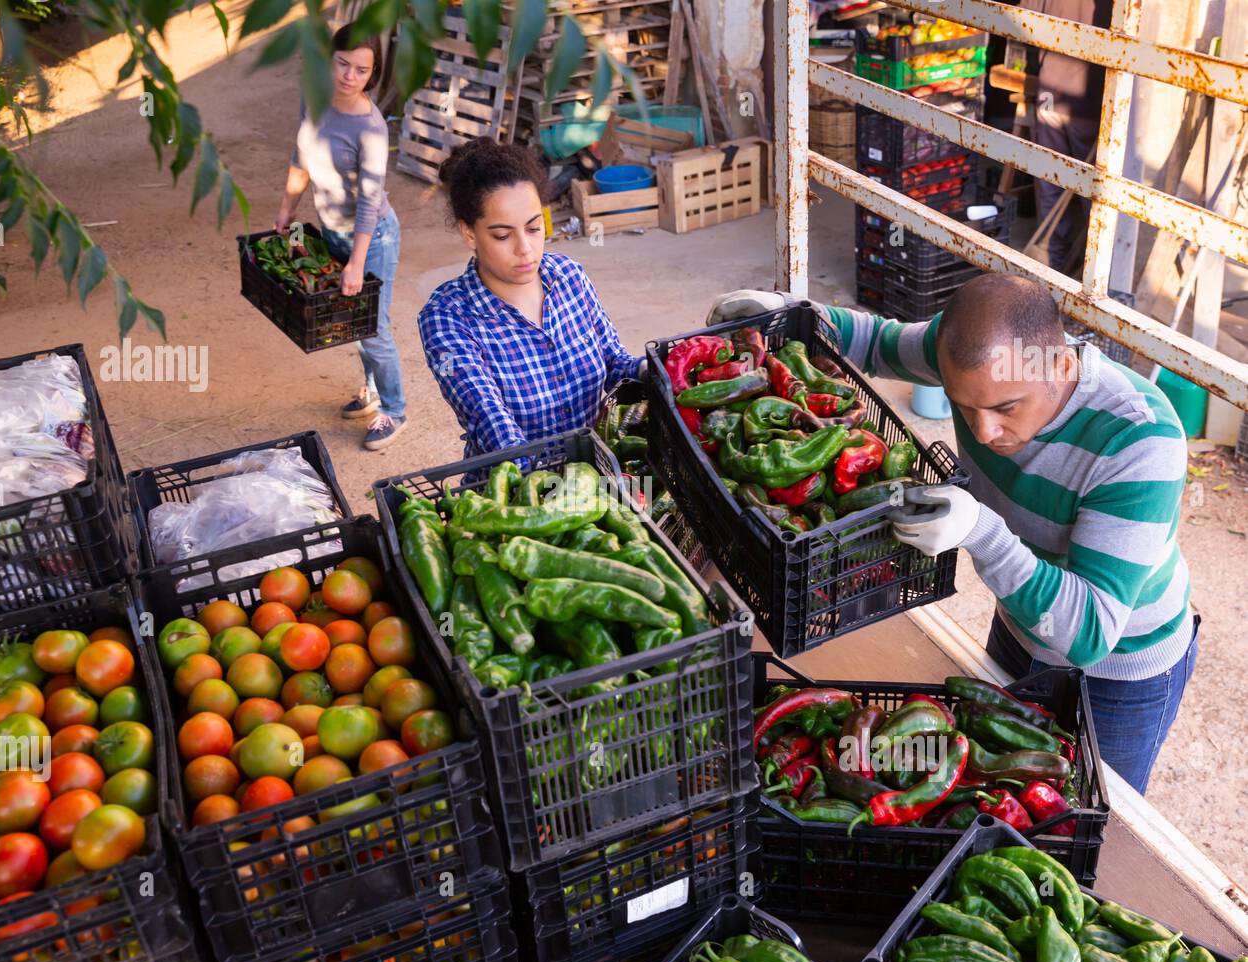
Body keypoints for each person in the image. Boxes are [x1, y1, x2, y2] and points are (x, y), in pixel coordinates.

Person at [709, 275, 1196, 795]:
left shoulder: (1141, 439)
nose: (984, 432)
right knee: (1005, 792)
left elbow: (1088, 635)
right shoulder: (971, 354)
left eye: (1006, 408)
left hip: (1122, 669)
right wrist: (789, 312)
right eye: (964, 407)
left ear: (1059, 364)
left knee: (1100, 818)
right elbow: (874, 342)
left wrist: (981, 532)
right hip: (1021, 623)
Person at [418, 138, 643, 458]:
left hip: (599, 479)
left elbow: (614, 362)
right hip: (517, 496)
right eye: (502, 235)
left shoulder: (569, 277)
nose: (525, 248)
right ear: (469, 233)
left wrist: (656, 368)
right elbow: (490, 419)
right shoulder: (448, 317)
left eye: (534, 228)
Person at [275, 23, 405, 451]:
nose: (350, 76)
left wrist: (355, 263)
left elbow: (369, 201)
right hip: (333, 229)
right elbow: (301, 157)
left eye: (362, 70)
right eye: (343, 63)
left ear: (373, 75)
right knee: (353, 322)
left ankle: (395, 410)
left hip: (372, 237)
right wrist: (287, 210)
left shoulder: (370, 128)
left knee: (373, 328)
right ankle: (369, 391)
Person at [1021, 0, 1112, 273]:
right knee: (1091, 190)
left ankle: (1053, 261)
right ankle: (1090, 267)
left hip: (1050, 91)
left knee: (1050, 180)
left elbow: (1025, 19)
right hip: (1090, 98)